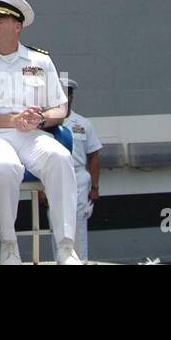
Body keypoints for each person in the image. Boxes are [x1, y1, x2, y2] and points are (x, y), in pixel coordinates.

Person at [0, 0, 83, 265]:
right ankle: (9, 245)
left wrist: (42, 120)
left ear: (18, 25)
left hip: (30, 134)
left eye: (0, 18)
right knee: (4, 166)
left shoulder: (40, 61)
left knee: (60, 158)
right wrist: (10, 120)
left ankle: (65, 246)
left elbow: (60, 107)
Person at [51, 77, 101, 262]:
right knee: (55, 220)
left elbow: (94, 156)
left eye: (68, 94)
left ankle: (81, 260)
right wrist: (41, 189)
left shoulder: (83, 124)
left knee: (78, 221)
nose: (65, 97)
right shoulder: (46, 123)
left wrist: (95, 187)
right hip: (53, 178)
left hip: (78, 176)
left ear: (72, 97)